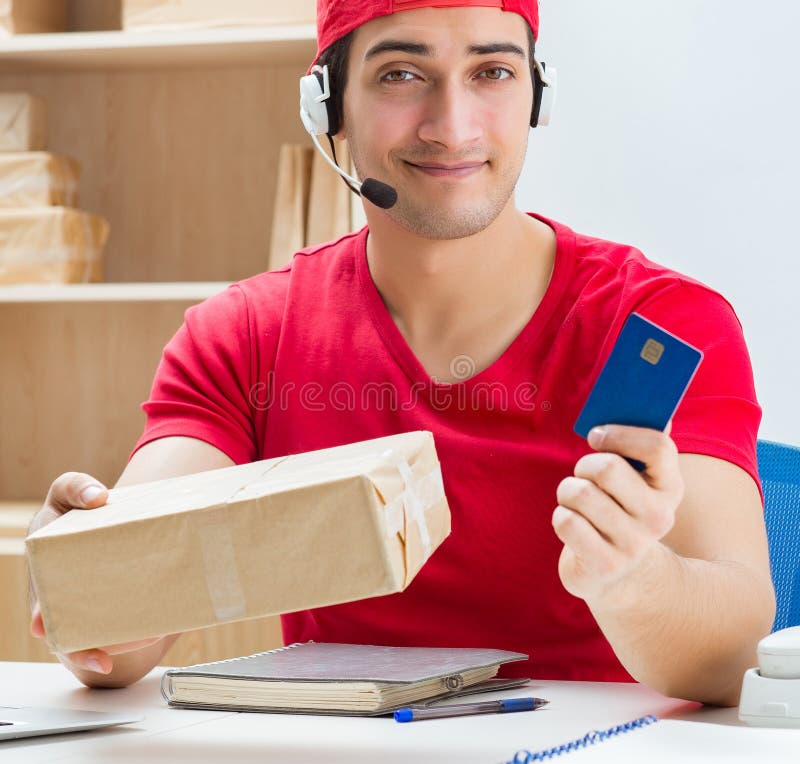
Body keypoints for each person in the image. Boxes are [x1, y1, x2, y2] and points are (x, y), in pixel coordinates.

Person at [28, 0, 774, 705]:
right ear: (327, 108)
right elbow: (121, 635)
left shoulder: (658, 325)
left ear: (535, 96)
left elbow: (735, 655)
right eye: (401, 74)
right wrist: (82, 582)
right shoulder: (247, 337)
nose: (452, 126)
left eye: (492, 71)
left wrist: (634, 578)